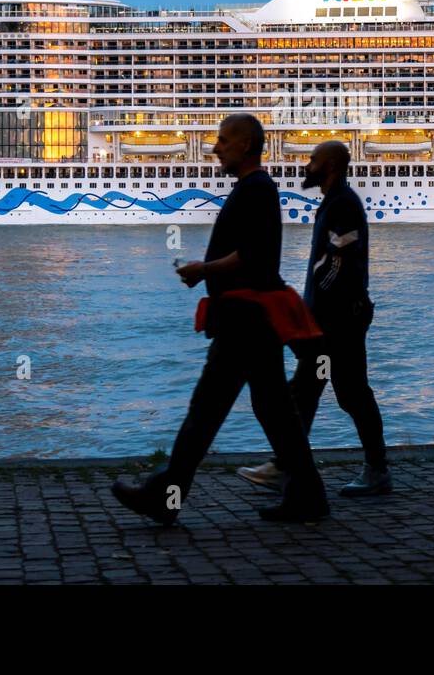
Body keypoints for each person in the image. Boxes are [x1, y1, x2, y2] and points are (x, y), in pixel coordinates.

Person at [110, 113, 329, 525]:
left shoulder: (256, 190)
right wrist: (207, 270)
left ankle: (165, 497)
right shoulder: (255, 189)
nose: (215, 149)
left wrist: (203, 269)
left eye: (224, 141)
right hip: (251, 318)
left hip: (244, 320)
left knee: (205, 412)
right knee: (273, 411)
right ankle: (308, 496)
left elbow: (254, 256)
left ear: (246, 145)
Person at [238, 140, 391, 497]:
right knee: (334, 393)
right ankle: (297, 465)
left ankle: (291, 467)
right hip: (334, 317)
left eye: (313, 161)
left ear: (332, 166)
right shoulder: (335, 202)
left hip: (337, 321)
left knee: (329, 393)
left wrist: (314, 305)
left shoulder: (342, 205)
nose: (306, 167)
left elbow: (338, 262)